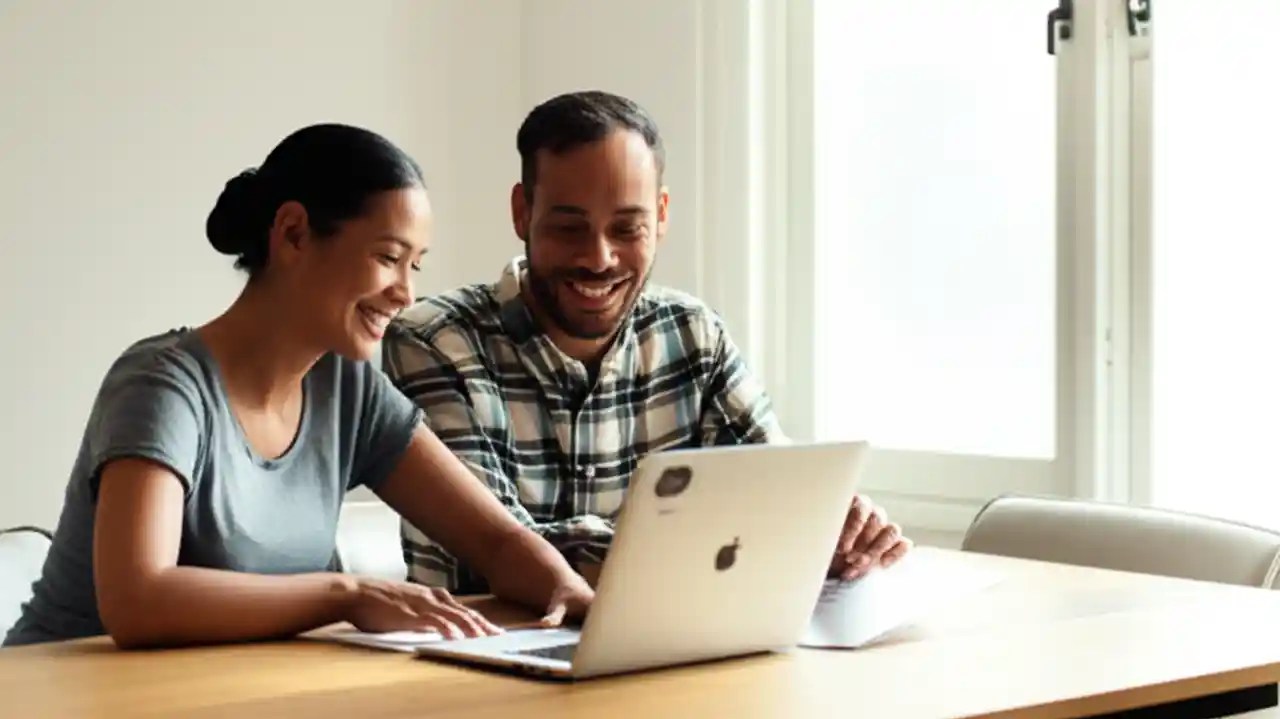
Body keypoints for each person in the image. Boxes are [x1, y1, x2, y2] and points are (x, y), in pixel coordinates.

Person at [2, 124, 592, 649]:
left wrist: (571, 594)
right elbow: (137, 600)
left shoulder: (350, 390)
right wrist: (344, 595)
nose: (406, 293)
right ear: (292, 233)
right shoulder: (162, 386)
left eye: (415, 266)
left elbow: (496, 543)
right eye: (388, 257)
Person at [382, 91, 912, 594]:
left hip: (673, 658)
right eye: (570, 228)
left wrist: (835, 530)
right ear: (523, 212)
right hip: (486, 667)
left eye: (627, 228)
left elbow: (781, 494)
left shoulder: (692, 335)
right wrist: (742, 543)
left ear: (660, 216)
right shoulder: (432, 342)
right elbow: (498, 553)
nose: (599, 258)